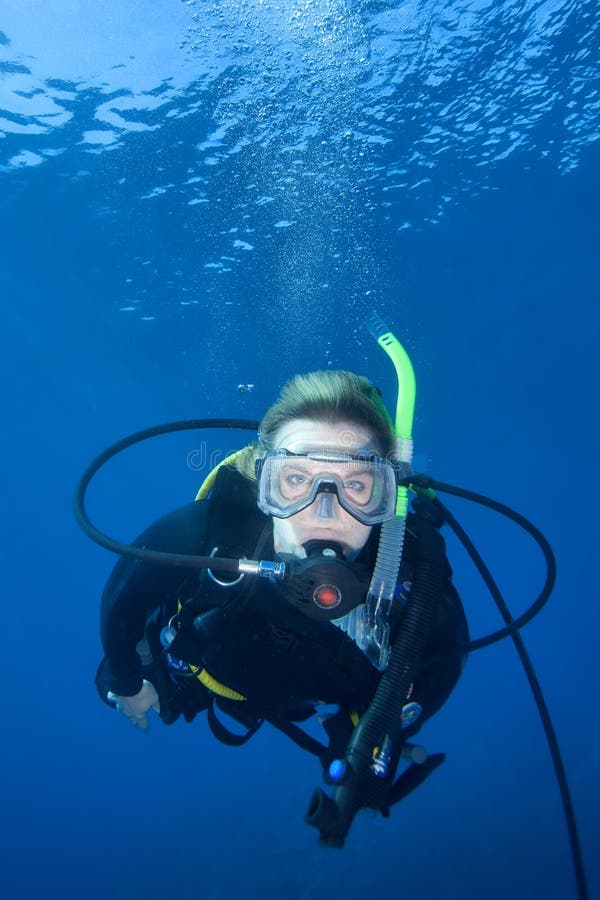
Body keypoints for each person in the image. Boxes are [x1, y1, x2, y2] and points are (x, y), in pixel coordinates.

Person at [96, 370, 468, 840]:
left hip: (322, 700)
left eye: (356, 485)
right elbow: (123, 595)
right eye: (296, 480)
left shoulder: (415, 586)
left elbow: (441, 668)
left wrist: (372, 738)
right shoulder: (209, 536)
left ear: (387, 496)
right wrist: (128, 680)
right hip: (210, 672)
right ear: (262, 485)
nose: (324, 513)